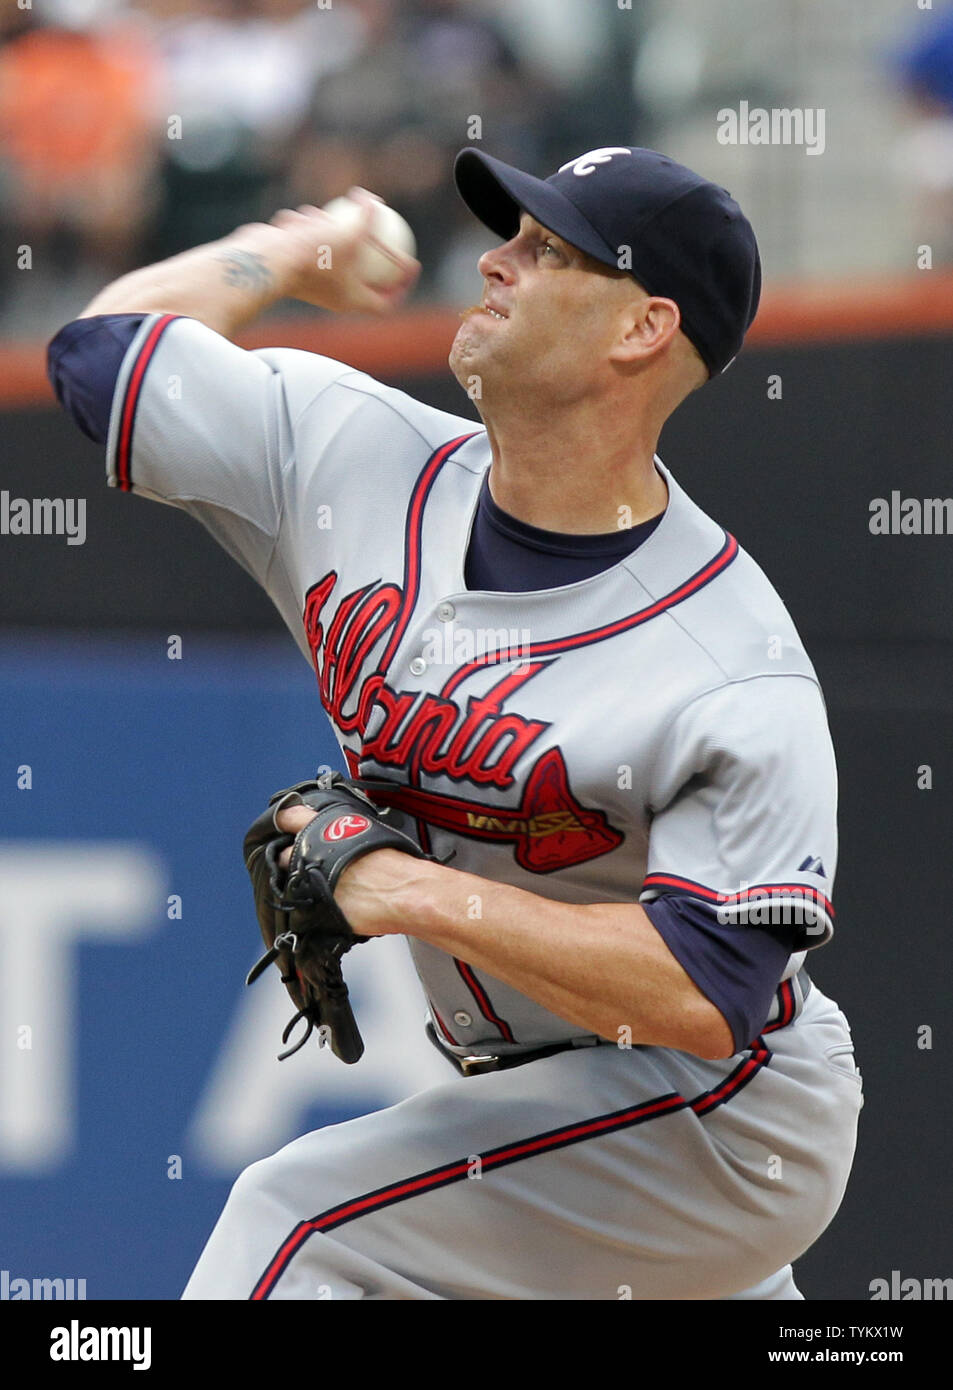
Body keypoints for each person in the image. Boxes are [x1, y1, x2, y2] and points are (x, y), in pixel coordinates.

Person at [47, 146, 862, 1301]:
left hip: (714, 1119)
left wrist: (405, 892)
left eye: (545, 249)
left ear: (640, 328)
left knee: (298, 1224)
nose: (493, 260)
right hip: (522, 1093)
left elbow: (702, 990)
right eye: (508, 234)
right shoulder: (349, 451)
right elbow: (102, 356)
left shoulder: (729, 663)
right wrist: (284, 252)